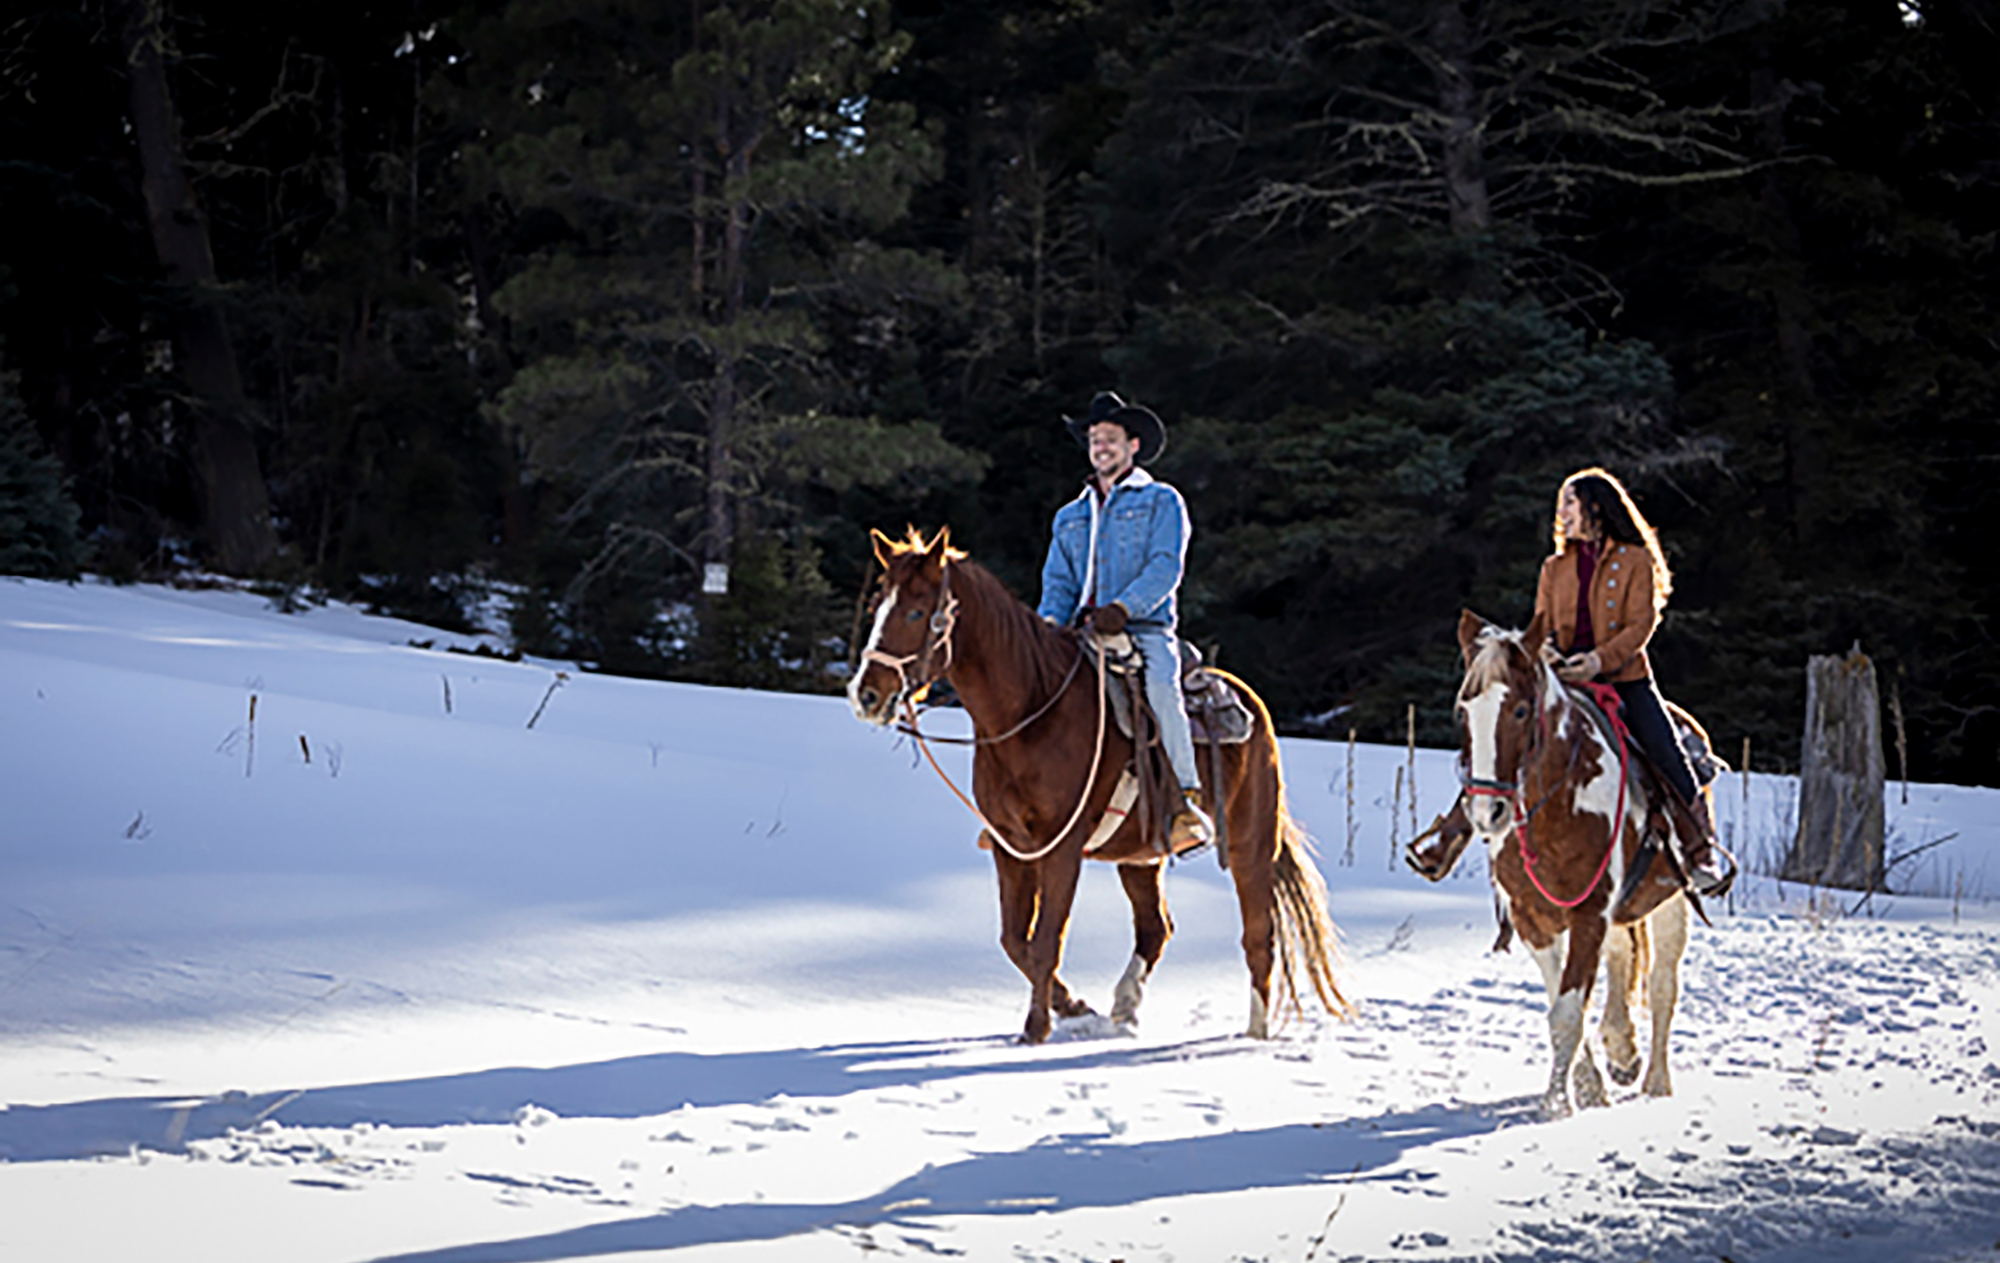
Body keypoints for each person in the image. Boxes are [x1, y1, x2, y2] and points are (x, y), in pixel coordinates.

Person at [1536, 467, 1733, 897]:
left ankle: (1702, 852)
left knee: (1665, 750)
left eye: (1570, 501)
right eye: (1561, 503)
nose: (1562, 511)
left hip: (1624, 679)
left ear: (1595, 507)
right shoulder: (1554, 567)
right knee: (1510, 736)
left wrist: (1598, 660)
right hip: (1563, 680)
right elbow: (1542, 625)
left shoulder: (1635, 560)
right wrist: (1549, 653)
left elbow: (1641, 624)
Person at [1039, 390, 1215, 854]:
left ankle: (1184, 800)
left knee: (1160, 688)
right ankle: (1023, 801)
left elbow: (1165, 566)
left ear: (1133, 445)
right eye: (1095, 439)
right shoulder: (1070, 515)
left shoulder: (1162, 501)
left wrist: (1124, 608)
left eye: (1111, 439)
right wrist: (1048, 627)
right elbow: (1058, 580)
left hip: (1143, 627)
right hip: (1079, 630)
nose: (1101, 447)